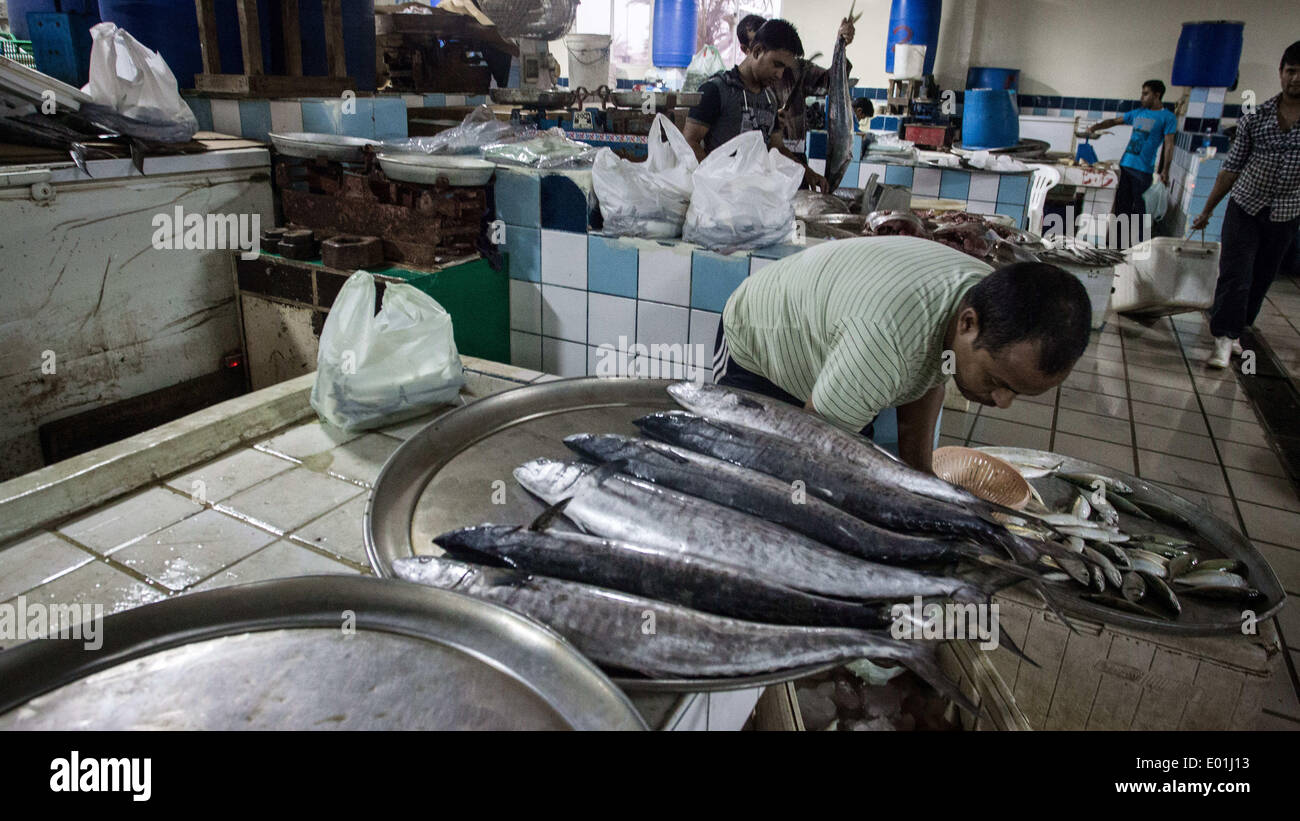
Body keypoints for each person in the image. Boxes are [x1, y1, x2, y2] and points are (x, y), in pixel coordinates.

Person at [712, 236, 1092, 473]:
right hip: (761, 336)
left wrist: (920, 477)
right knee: (750, 468)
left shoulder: (983, 291)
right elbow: (814, 454)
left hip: (839, 337)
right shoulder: (883, 346)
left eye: (1018, 393)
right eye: (997, 382)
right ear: (968, 324)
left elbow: (933, 373)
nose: (1002, 402)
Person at [1194, 41, 1300, 368]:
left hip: (1286, 214)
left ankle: (1237, 331)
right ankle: (1223, 339)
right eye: (1291, 71)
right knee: (1235, 273)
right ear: (1281, 73)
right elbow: (1231, 169)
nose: (1296, 78)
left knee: (1262, 277)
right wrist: (1208, 209)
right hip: (1245, 206)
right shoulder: (1256, 116)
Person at [685, 20, 827, 190]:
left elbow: (777, 148)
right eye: (777, 65)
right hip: (718, 201)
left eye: (784, 69)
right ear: (758, 51)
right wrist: (719, 184)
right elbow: (689, 143)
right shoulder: (716, 90)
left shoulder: (770, 99)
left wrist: (808, 173)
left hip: (754, 197)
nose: (780, 75)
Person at [1087, 80, 1178, 248]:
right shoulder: (1138, 113)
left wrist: (1165, 170)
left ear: (1157, 95)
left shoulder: (1167, 117)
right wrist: (1095, 127)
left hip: (1143, 171)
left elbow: (1169, 145)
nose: (1142, 97)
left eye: (1146, 93)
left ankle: (1138, 246)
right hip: (1126, 166)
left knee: (1139, 210)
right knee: (1122, 207)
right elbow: (1115, 121)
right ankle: (1117, 245)